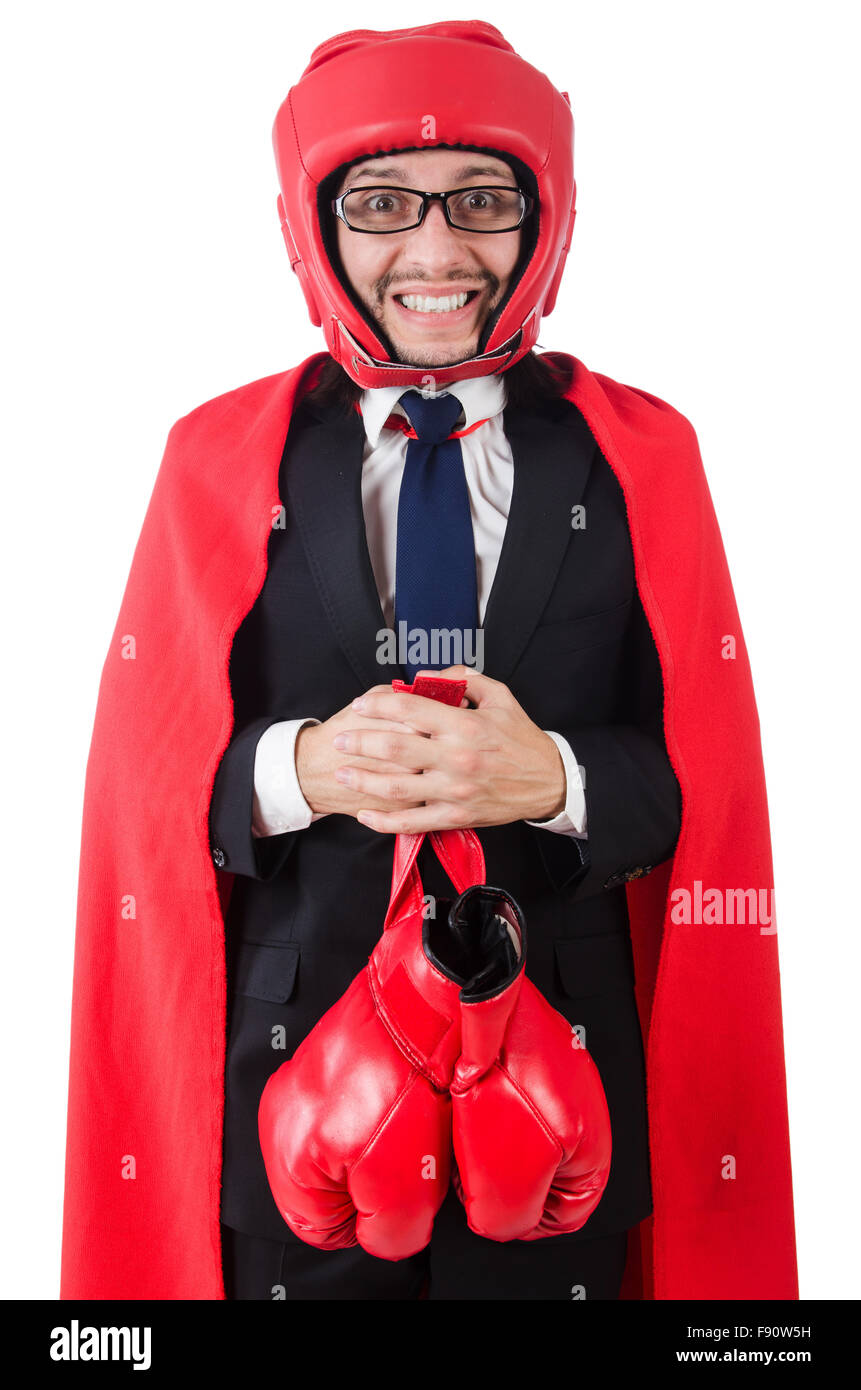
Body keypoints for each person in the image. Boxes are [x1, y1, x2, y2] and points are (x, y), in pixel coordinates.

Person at [60, 21, 798, 1301]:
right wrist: (305, 768)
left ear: (544, 221)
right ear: (318, 229)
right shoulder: (217, 461)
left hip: (564, 1117)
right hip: (294, 1120)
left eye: (482, 199)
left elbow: (703, 798)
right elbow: (150, 797)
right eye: (385, 203)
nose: (438, 250)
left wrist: (552, 777)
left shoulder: (640, 463)